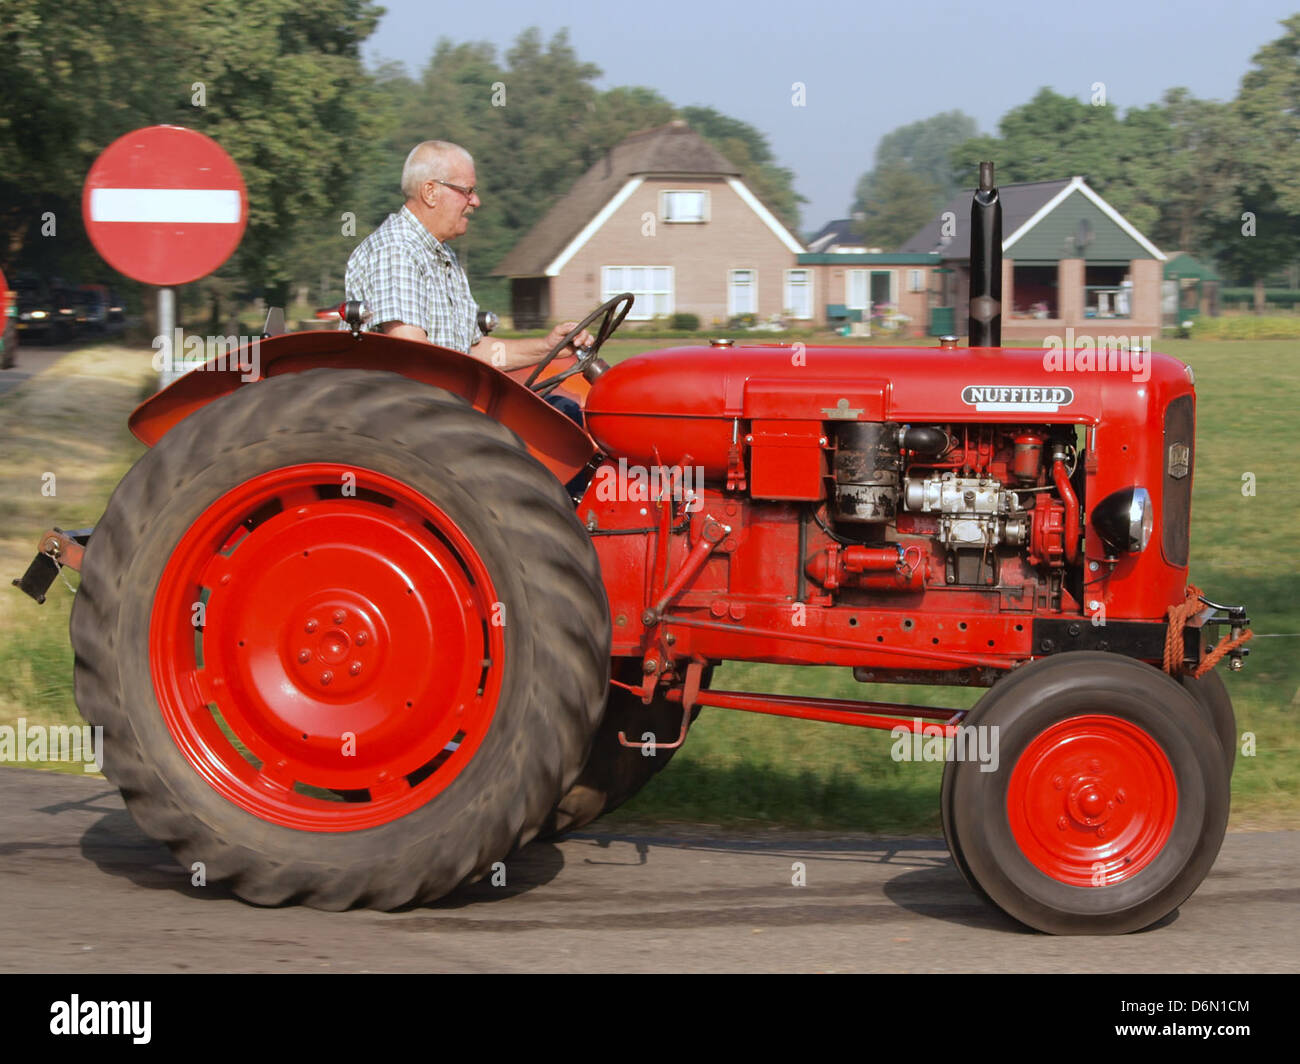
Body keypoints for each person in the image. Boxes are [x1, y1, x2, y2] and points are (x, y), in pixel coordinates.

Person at [345, 140, 593, 377]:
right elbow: (414, 356)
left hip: (441, 401)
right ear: (430, 192)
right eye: (467, 191)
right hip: (407, 408)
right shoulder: (397, 250)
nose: (475, 201)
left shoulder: (443, 256)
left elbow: (474, 352)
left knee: (562, 407)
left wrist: (550, 346)